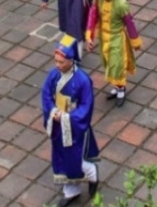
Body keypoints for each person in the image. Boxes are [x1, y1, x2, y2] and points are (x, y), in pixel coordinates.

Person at [42, 35, 100, 207]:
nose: (57, 65)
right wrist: (52, 111)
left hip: (74, 127)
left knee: (73, 158)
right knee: (60, 157)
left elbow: (86, 106)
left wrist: (67, 117)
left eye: (61, 62)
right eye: (56, 61)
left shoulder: (83, 80)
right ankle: (70, 190)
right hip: (58, 125)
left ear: (70, 60)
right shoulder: (54, 75)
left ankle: (91, 172)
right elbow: (46, 94)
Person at [85, 0, 142, 107]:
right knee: (109, 64)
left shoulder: (121, 4)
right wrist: (89, 35)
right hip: (104, 38)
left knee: (117, 64)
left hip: (117, 38)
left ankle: (121, 89)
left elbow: (129, 24)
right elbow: (92, 16)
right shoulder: (98, 0)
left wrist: (135, 42)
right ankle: (117, 87)